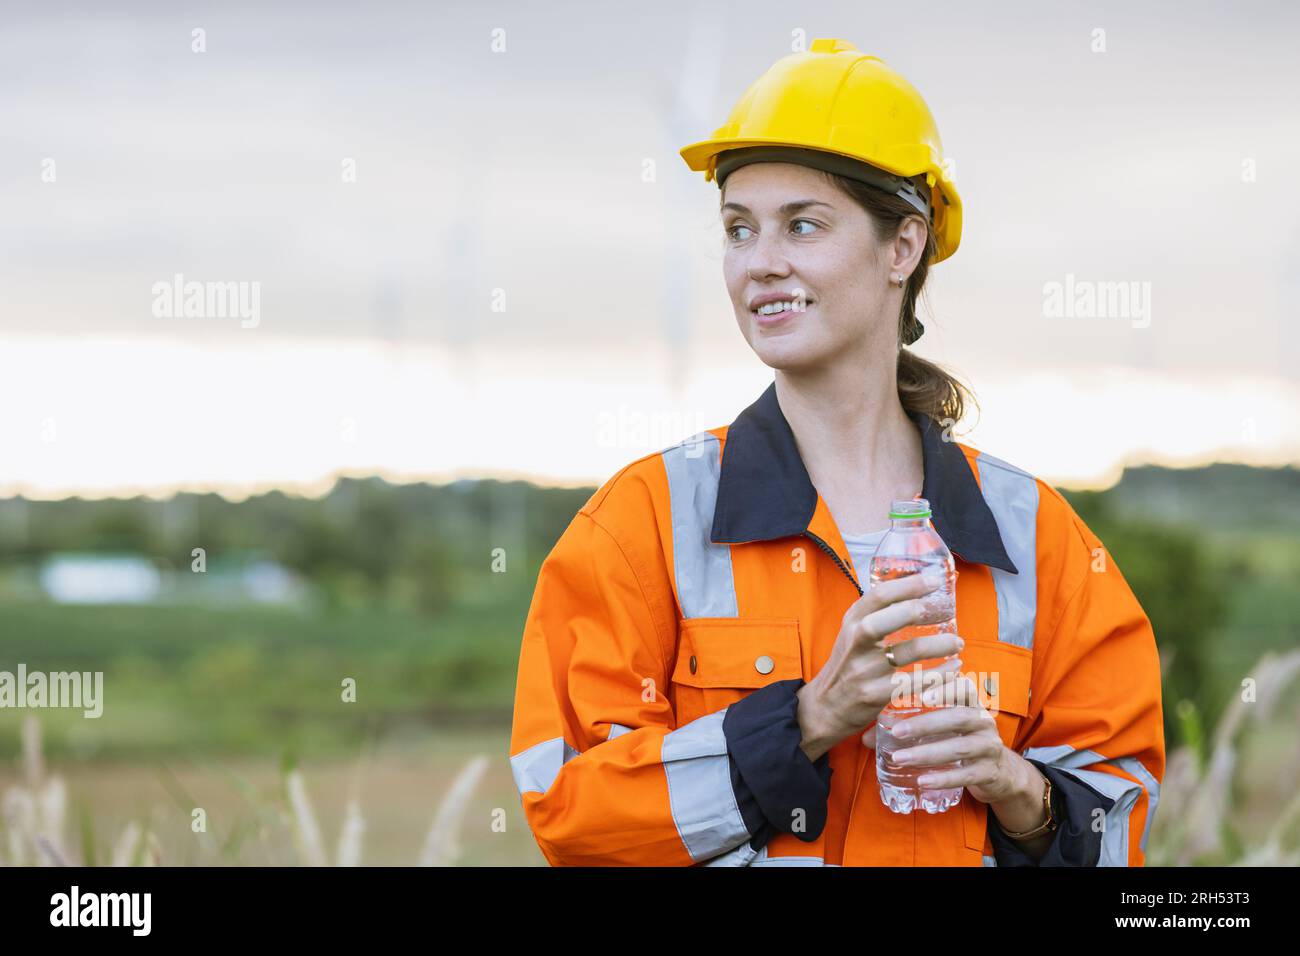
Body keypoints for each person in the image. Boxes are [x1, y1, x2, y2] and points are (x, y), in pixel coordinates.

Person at [509, 38, 1164, 866]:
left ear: (904, 247)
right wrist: (809, 721)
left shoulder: (1037, 540)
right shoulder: (639, 525)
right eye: (738, 230)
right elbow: (571, 812)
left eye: (803, 225)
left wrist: (1014, 788)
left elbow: (1124, 822)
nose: (760, 263)